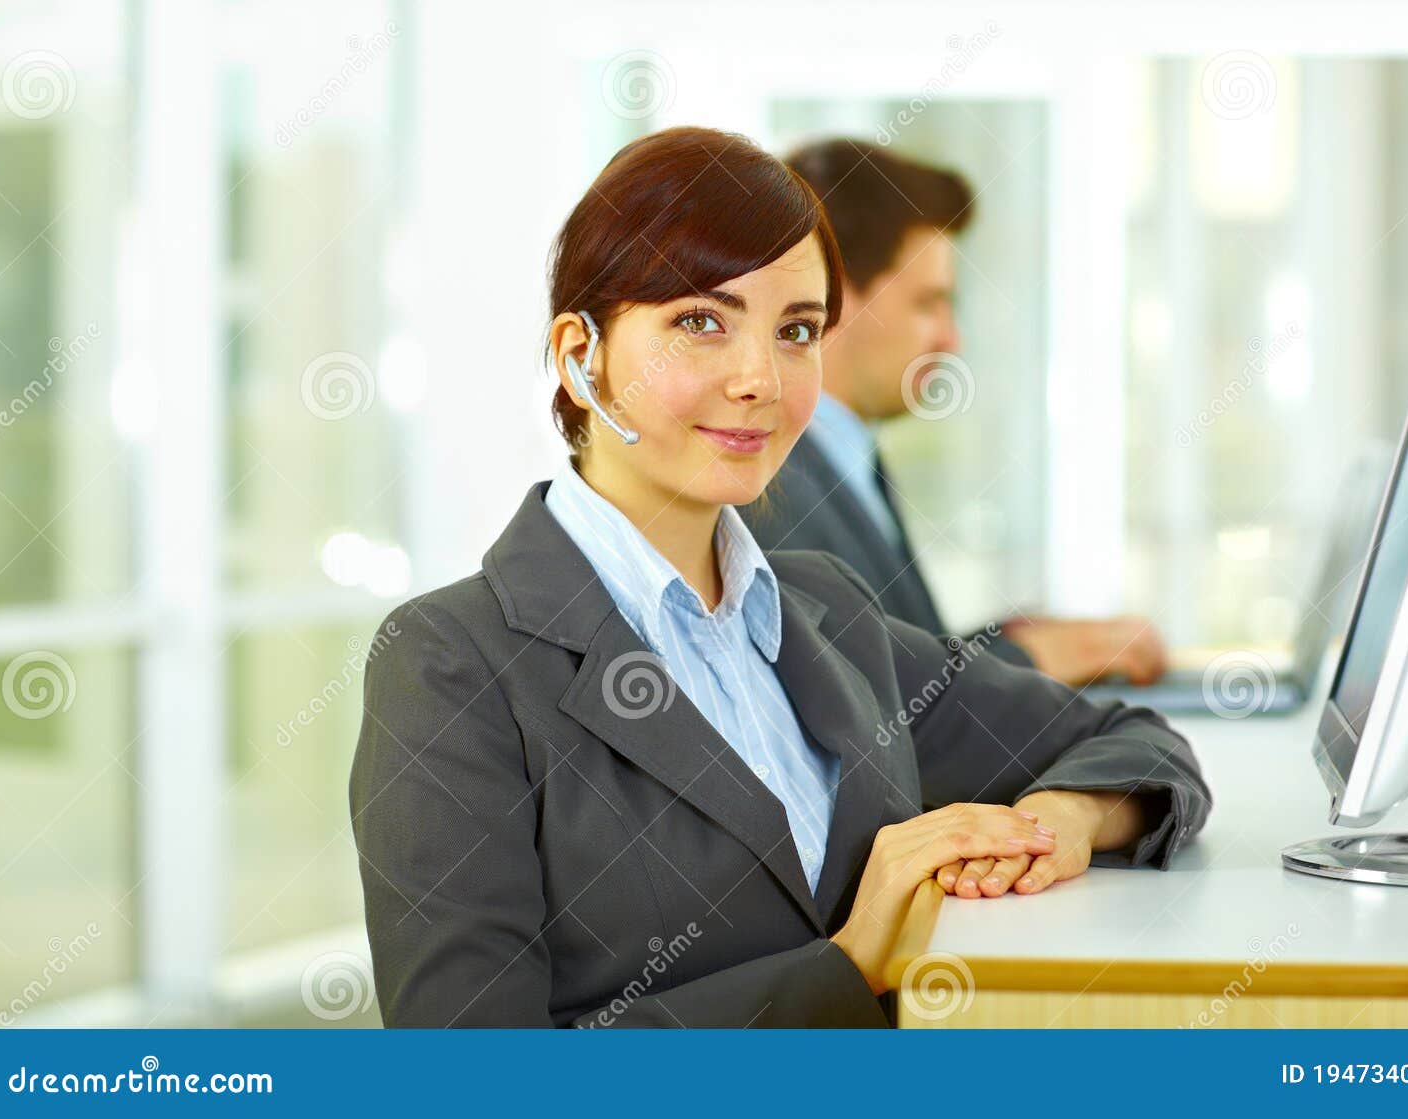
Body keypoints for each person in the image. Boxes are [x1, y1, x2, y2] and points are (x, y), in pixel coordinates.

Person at [349, 126, 1211, 1029]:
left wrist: (1061, 823)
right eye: (699, 322)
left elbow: (1136, 743)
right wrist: (847, 962)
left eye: (796, 330)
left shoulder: (823, 610)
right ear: (579, 356)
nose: (760, 376)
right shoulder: (451, 664)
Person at [742, 138, 1167, 687]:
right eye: (928, 303)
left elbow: (892, 646)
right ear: (830, 298)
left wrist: (1016, 641)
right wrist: (1031, 663)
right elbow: (861, 697)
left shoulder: (840, 454)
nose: (951, 338)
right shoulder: (769, 479)